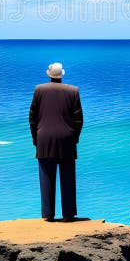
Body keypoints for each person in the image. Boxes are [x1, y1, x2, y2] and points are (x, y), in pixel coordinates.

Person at [28, 62, 83, 222]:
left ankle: (48, 215)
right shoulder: (73, 91)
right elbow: (78, 119)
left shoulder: (39, 90)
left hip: (44, 139)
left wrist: (35, 138)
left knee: (46, 178)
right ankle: (68, 214)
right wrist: (74, 139)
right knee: (68, 178)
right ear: (62, 75)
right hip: (67, 139)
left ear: (49, 74)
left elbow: (32, 118)